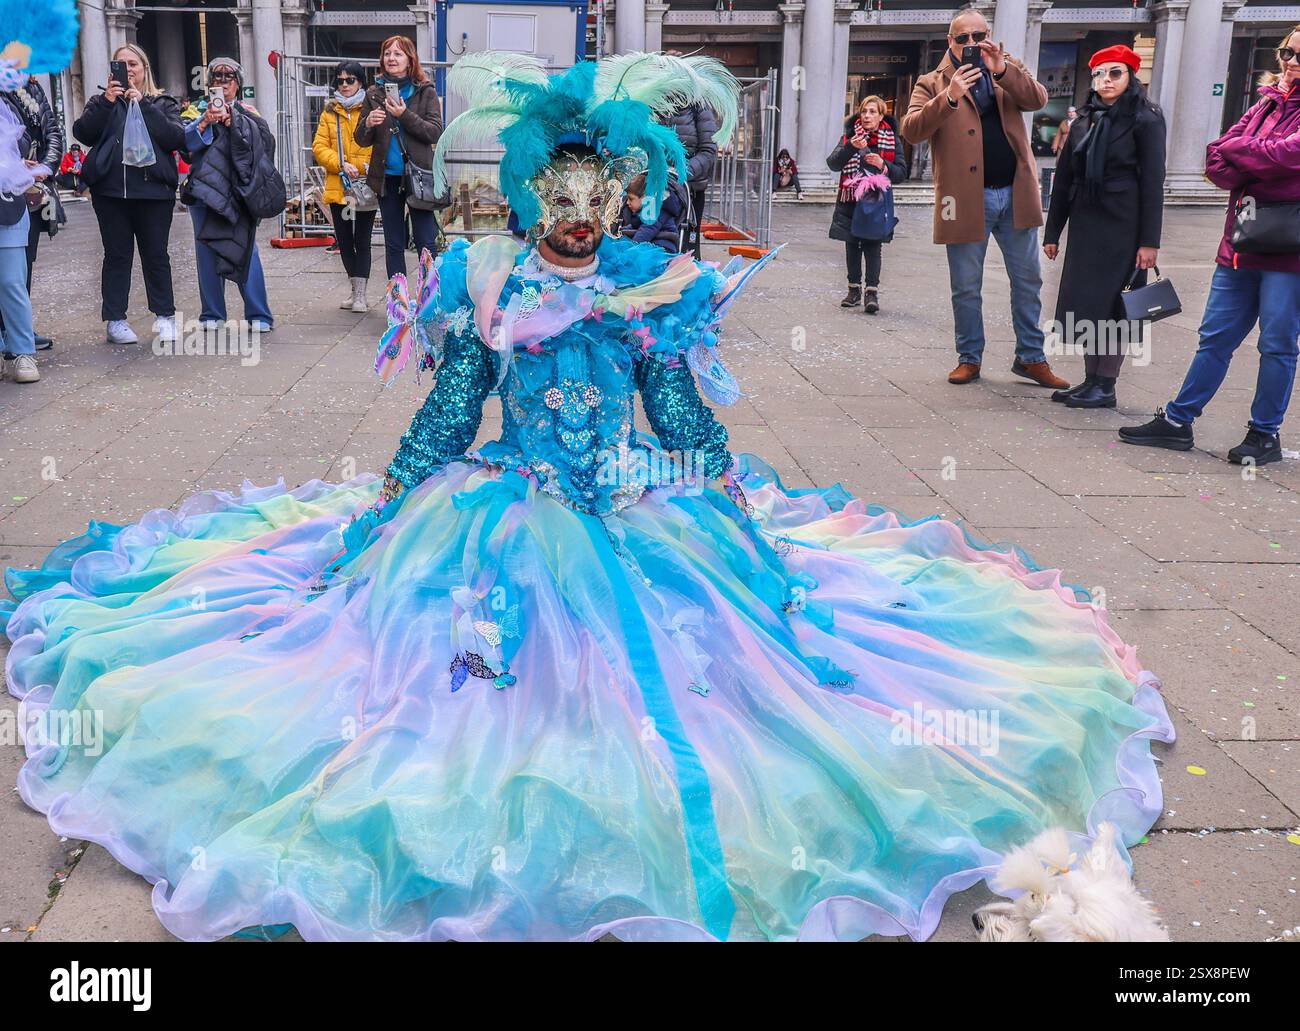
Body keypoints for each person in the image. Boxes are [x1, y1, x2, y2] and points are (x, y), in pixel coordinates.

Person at [3, 52, 1173, 943]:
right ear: (527, 198)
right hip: (503, 507)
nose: (574, 222)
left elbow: (673, 414)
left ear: (620, 200)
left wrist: (718, 489)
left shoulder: (648, 285)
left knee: (734, 669)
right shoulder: (485, 276)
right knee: (448, 674)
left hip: (627, 500)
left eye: (593, 203)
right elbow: (455, 405)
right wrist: (384, 509)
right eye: (557, 202)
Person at [1120, 27, 1300, 465]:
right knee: (1214, 338)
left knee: (1277, 343)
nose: (1291, 61)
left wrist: (1246, 154)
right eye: (1288, 51)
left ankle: (1264, 434)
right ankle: (1179, 422)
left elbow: (1288, 158)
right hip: (1238, 244)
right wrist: (1251, 156)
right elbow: (1216, 160)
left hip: (1288, 251)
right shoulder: (1263, 103)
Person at [901, 10, 1068, 389]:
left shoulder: (1005, 66)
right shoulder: (932, 82)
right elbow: (911, 130)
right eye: (964, 38)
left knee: (1028, 281)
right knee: (966, 285)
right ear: (951, 41)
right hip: (963, 198)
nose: (972, 44)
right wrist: (949, 97)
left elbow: (1037, 99)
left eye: (979, 35)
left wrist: (1003, 71)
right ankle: (969, 358)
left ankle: (1031, 358)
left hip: (1015, 193)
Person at [1043, 46, 1166, 409]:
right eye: (1099, 74)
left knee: (1115, 307)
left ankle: (1106, 384)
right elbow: (1064, 179)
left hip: (1124, 225)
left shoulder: (1146, 118)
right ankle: (1090, 380)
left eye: (1115, 73)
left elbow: (1153, 182)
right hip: (1086, 223)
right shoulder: (1084, 120)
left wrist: (1149, 241)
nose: (1105, 81)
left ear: (1130, 77)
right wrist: (1053, 232)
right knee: (1088, 303)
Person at [73, 42, 184, 345]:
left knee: (156, 255)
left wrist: (143, 104)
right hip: (111, 193)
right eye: (121, 65)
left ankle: (165, 315)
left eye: (133, 64)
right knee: (117, 256)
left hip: (153, 192)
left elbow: (175, 137)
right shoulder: (102, 101)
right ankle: (116, 319)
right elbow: (83, 133)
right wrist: (109, 101)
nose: (128, 70)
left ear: (144, 68)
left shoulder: (162, 103)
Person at [181, 58, 279, 332]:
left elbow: (264, 147)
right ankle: (212, 314)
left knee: (246, 250)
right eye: (217, 76)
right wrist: (205, 123)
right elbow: (182, 146)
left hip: (239, 195)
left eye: (230, 76)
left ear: (238, 84)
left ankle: (259, 315)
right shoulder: (193, 113)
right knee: (206, 251)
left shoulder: (249, 112)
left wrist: (234, 121)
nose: (223, 81)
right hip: (204, 194)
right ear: (209, 83)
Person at [355, 36, 442, 279]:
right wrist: (368, 124)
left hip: (419, 177)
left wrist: (404, 115)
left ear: (410, 59)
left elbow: (434, 131)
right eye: (387, 54)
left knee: (426, 243)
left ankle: (429, 301)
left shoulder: (425, 91)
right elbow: (361, 139)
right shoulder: (374, 92)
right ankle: (398, 303)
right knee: (393, 244)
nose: (391, 58)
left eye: (398, 54)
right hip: (387, 178)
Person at [827, 95, 907, 315]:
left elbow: (901, 173)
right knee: (851, 245)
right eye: (864, 111)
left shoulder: (892, 139)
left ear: (881, 116)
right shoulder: (850, 136)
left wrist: (883, 164)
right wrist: (850, 148)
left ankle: (871, 293)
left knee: (873, 247)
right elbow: (833, 164)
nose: (867, 116)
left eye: (872, 112)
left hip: (876, 202)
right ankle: (853, 291)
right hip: (851, 201)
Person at [1, 72, 62, 350]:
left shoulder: (33, 89)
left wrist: (43, 168)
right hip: (7, 183)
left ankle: (18, 329)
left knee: (23, 263)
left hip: (31, 189)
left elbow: (52, 132)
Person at [312, 60, 374, 313]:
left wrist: (362, 167)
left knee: (363, 240)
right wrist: (340, 164)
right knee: (345, 241)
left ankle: (361, 295)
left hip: (365, 186)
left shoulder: (370, 110)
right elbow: (319, 147)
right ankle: (354, 290)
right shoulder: (329, 112)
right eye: (340, 80)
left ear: (360, 82)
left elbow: (377, 144)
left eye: (351, 80)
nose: (345, 85)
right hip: (340, 187)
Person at [617, 171, 686, 252]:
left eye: (631, 199)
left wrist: (632, 247)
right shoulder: (642, 211)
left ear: (644, 197)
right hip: (651, 244)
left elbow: (647, 230)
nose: (627, 202)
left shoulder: (655, 210)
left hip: (663, 248)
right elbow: (637, 226)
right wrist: (625, 230)